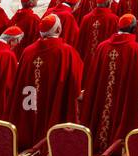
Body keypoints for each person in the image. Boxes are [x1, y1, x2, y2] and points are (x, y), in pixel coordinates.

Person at [10, 13, 84, 148]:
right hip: (53, 102)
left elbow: (19, 81)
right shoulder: (66, 51)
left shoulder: (27, 51)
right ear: (58, 30)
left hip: (30, 104)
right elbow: (74, 84)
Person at [79, 13, 138, 152]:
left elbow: (94, 75)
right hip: (125, 98)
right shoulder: (137, 49)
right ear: (134, 29)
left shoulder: (102, 47)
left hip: (102, 96)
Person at [75, 0, 116, 65]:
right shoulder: (113, 19)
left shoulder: (86, 18)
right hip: (104, 57)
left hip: (87, 57)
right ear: (108, 4)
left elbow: (81, 40)